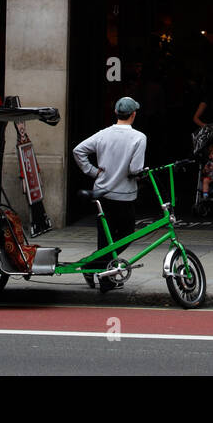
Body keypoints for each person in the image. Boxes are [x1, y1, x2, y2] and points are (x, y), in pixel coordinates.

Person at [72, 96, 147, 292]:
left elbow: (78, 151)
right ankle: (91, 267)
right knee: (125, 237)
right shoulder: (139, 137)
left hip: (102, 193)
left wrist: (92, 171)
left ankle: (104, 277)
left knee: (105, 239)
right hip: (125, 195)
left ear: (116, 114)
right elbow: (135, 168)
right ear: (133, 114)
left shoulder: (103, 134)